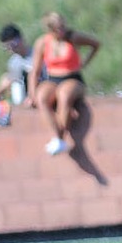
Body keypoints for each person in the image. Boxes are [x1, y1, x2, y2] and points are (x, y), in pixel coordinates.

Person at [29, 11, 99, 156]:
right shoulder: (43, 42)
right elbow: (35, 71)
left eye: (62, 27)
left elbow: (95, 44)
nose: (60, 31)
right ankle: (56, 135)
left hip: (72, 77)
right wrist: (31, 94)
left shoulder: (73, 37)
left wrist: (84, 62)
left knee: (64, 95)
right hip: (53, 78)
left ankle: (59, 137)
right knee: (41, 97)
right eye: (56, 29)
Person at [0, 23, 31, 105]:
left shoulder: (36, 55)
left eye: (13, 44)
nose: (11, 49)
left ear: (21, 39)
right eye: (6, 47)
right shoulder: (13, 63)